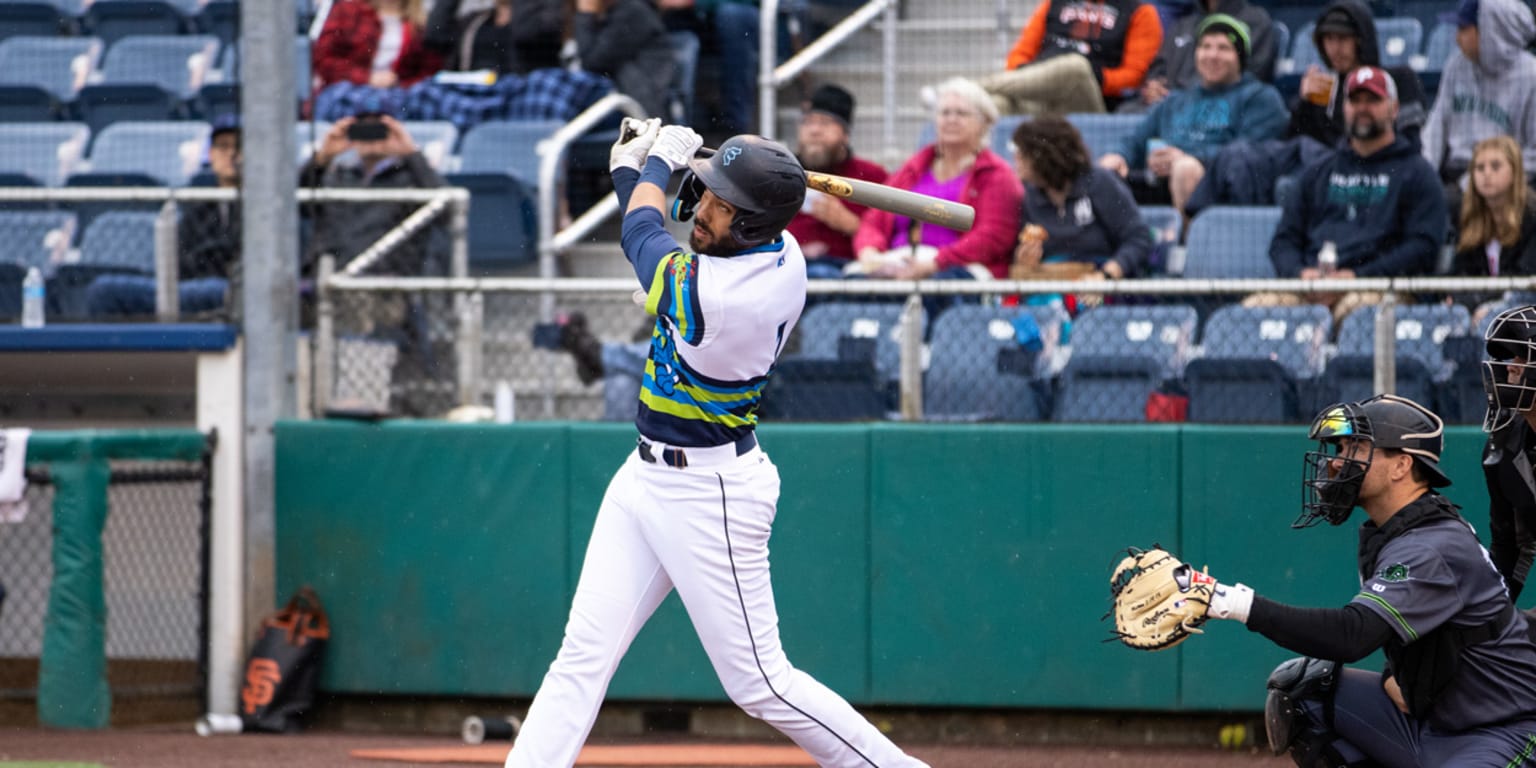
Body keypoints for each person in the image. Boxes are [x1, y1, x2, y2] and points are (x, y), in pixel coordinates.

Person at [504, 116, 930, 768]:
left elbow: (640, 232)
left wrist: (644, 168)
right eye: (705, 195)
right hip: (644, 477)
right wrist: (665, 169)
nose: (702, 212)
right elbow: (657, 222)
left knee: (761, 682)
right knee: (583, 655)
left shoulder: (725, 295)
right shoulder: (772, 248)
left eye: (721, 206)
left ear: (756, 224)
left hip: (711, 493)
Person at [1181, 393, 1536, 767]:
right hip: (1432, 725)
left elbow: (1352, 635)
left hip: (1502, 730)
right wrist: (1391, 672)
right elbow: (1410, 631)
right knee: (1303, 692)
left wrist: (1229, 601)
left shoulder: (1431, 546)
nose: (1337, 460)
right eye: (1342, 447)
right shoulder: (1393, 532)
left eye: (1357, 447)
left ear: (1401, 465)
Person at [1258, 67, 1445, 323]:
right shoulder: (1318, 171)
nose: (1362, 108)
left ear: (1394, 108)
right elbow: (1283, 241)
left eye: (1373, 100)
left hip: (1381, 289)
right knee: (1253, 311)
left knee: (1355, 312)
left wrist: (1357, 277)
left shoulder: (1417, 172)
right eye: (1354, 100)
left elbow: (1422, 247)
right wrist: (1301, 275)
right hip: (1311, 287)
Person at [1098, 14, 1287, 213]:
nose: (1212, 55)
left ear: (1240, 57)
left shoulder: (1260, 97)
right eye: (1205, 47)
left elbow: (1249, 153)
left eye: (1223, 48)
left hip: (1220, 190)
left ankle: (1189, 243)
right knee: (1103, 171)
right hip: (1159, 184)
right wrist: (1119, 156)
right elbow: (1135, 140)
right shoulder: (1175, 100)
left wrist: (1186, 158)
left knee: (1185, 169)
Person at [850, 77, 1022, 281]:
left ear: (983, 124)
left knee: (940, 284)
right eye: (945, 113)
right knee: (850, 282)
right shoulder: (913, 168)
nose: (951, 119)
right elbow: (873, 220)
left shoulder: (997, 174)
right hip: (898, 263)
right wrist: (870, 252)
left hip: (959, 271)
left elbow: (993, 237)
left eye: (961, 113)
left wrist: (935, 263)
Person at [86, 115, 243, 319]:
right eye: (223, 147)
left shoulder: (263, 208)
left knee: (218, 289)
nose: (231, 154)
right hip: (188, 290)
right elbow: (181, 259)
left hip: (232, 292)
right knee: (103, 291)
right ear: (211, 155)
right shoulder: (198, 205)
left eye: (238, 146)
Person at [1421, 0, 1536, 220]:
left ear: (1490, 31)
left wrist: (1485, 178)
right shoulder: (1456, 65)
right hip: (1455, 173)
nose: (1457, 38)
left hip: (1508, 180)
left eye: (1464, 29)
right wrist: (1424, 176)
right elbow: (1436, 128)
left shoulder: (1531, 75)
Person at [1011, 116, 1152, 281]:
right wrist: (1024, 262)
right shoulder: (1029, 197)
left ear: (1043, 155)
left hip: (1104, 283)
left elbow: (1138, 238)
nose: (1016, 159)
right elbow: (1020, 259)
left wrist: (1106, 276)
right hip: (1052, 285)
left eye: (1022, 153)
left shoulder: (1099, 182)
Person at [971, 0, 1163, 115]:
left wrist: (1096, 76)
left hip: (1089, 99)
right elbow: (1019, 56)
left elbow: (1135, 75)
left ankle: (970, 87)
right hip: (1041, 93)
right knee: (996, 104)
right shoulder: (1054, 3)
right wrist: (1036, 74)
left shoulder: (1140, 11)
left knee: (1076, 66)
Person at [1286, 0, 1429, 148]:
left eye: (1343, 38)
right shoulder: (1322, 90)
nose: (1335, 49)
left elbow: (1412, 144)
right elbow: (1298, 150)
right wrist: (1303, 104)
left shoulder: (1401, 79)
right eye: (1329, 39)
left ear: (1361, 39)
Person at [788, 83, 889, 279]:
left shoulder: (872, 177)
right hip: (786, 268)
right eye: (808, 122)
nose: (815, 131)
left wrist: (850, 224)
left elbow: (895, 238)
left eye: (825, 123)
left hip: (848, 274)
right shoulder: (778, 175)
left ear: (846, 134)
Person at [1125, 0, 1278, 113]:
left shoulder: (1256, 21)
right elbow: (1158, 69)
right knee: (1126, 112)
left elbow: (1251, 77)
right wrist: (1154, 86)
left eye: (1222, 47)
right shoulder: (1183, 23)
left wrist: (1189, 96)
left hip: (1221, 106)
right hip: (1168, 104)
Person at [1478, 305, 1536, 604]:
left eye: (1522, 358)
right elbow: (1512, 545)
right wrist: (1488, 620)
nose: (1510, 367)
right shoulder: (1501, 445)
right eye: (1510, 358)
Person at [1452, 136, 1536, 312]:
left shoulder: (1532, 219)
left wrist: (1489, 306)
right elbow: (1460, 275)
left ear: (1515, 172)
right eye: (1479, 168)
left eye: (1495, 166)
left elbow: (1523, 280)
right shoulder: (1469, 220)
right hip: (1478, 309)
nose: (1486, 174)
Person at [571, 0, 676, 121]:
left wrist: (586, 14)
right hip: (623, 100)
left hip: (637, 108)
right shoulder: (618, 10)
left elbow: (592, 62)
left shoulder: (632, 11)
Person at [312, 0, 444, 92]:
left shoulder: (420, 24)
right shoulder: (348, 11)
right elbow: (323, 59)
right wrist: (366, 78)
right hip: (351, 90)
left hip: (400, 94)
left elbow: (428, 70)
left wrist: (399, 84)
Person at [422, 0, 566, 75]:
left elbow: (525, 34)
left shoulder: (545, 20)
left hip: (517, 99)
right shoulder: (474, 22)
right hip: (472, 98)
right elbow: (434, 36)